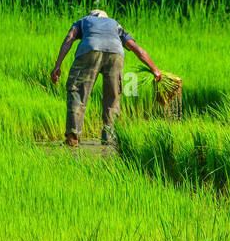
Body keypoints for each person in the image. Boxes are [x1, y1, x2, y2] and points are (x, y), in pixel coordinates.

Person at [50, 9, 160, 147]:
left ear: (91, 16)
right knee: (112, 98)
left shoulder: (83, 21)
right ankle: (109, 137)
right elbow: (136, 48)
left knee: (78, 93)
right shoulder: (115, 24)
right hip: (116, 54)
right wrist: (154, 69)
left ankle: (72, 138)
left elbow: (69, 38)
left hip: (89, 49)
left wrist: (57, 65)